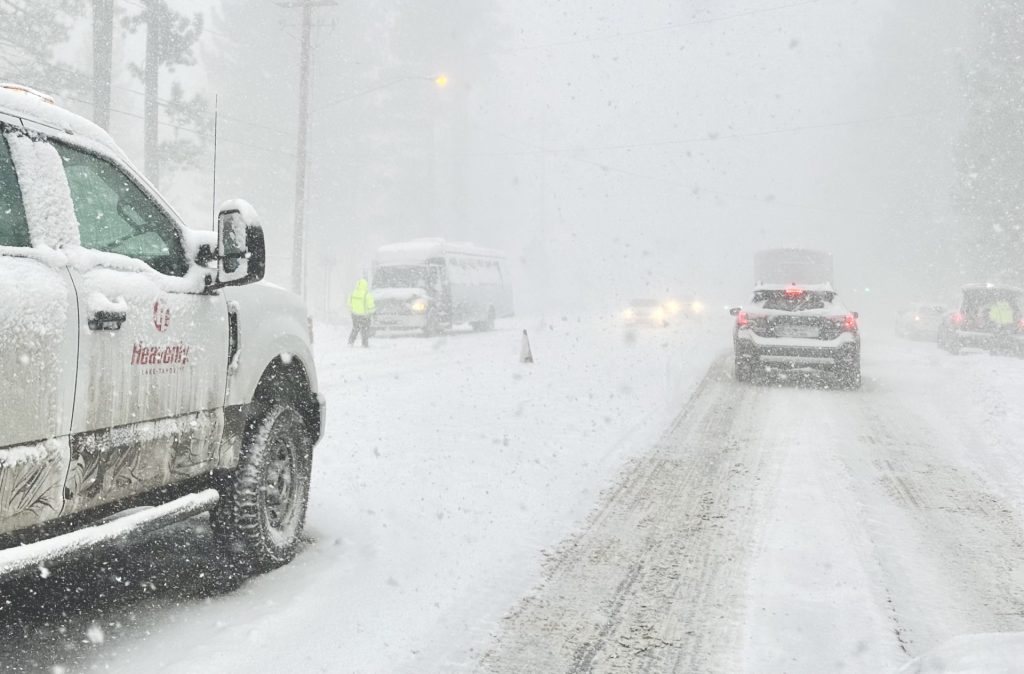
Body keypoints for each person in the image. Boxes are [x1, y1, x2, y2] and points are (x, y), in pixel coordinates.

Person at [347, 278, 375, 347]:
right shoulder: (367, 294)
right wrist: (372, 312)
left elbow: (348, 303)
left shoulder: (353, 293)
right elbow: (370, 306)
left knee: (355, 328)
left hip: (354, 315)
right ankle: (364, 344)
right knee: (364, 330)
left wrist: (352, 311)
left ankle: (351, 342)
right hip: (364, 315)